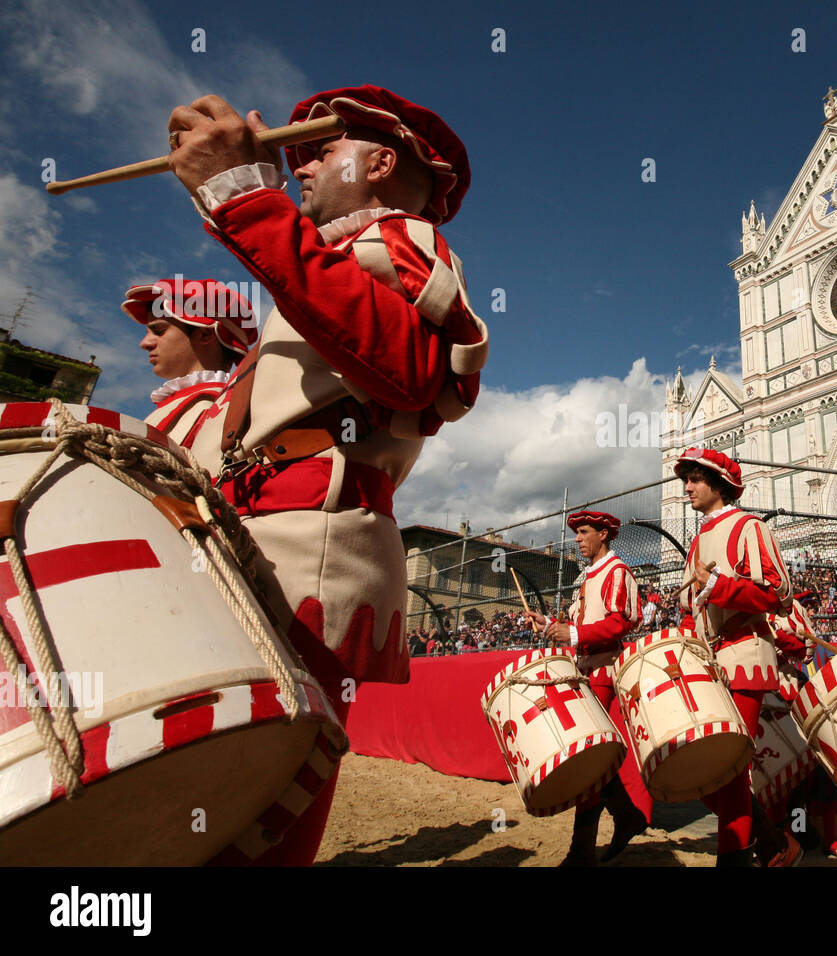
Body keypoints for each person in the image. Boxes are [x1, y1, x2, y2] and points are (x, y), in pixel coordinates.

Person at [166, 85, 488, 865]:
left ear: (381, 162)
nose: (296, 164)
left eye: (318, 149)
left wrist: (243, 197)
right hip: (253, 528)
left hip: (305, 545)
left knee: (259, 803)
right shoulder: (326, 260)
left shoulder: (403, 238)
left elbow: (410, 367)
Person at [676, 447, 797, 865]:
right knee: (707, 771)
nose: (686, 488)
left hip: (745, 655)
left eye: (693, 479)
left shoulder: (750, 526)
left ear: (718, 484)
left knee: (728, 767)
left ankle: (735, 857)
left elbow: (778, 593)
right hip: (708, 664)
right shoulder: (697, 540)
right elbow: (692, 610)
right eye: (685, 480)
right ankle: (775, 841)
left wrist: (720, 585)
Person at [527, 510, 652, 865]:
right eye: (577, 533)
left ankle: (583, 849)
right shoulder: (591, 576)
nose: (578, 539)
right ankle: (624, 818)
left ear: (603, 534)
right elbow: (583, 624)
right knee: (588, 758)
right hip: (585, 669)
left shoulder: (617, 572)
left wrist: (574, 633)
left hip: (603, 670)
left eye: (583, 532)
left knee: (586, 757)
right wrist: (551, 623)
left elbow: (619, 622)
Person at [121, 278, 257, 440]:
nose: (145, 343)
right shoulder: (186, 403)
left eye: (159, 331)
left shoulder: (221, 410)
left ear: (204, 334)